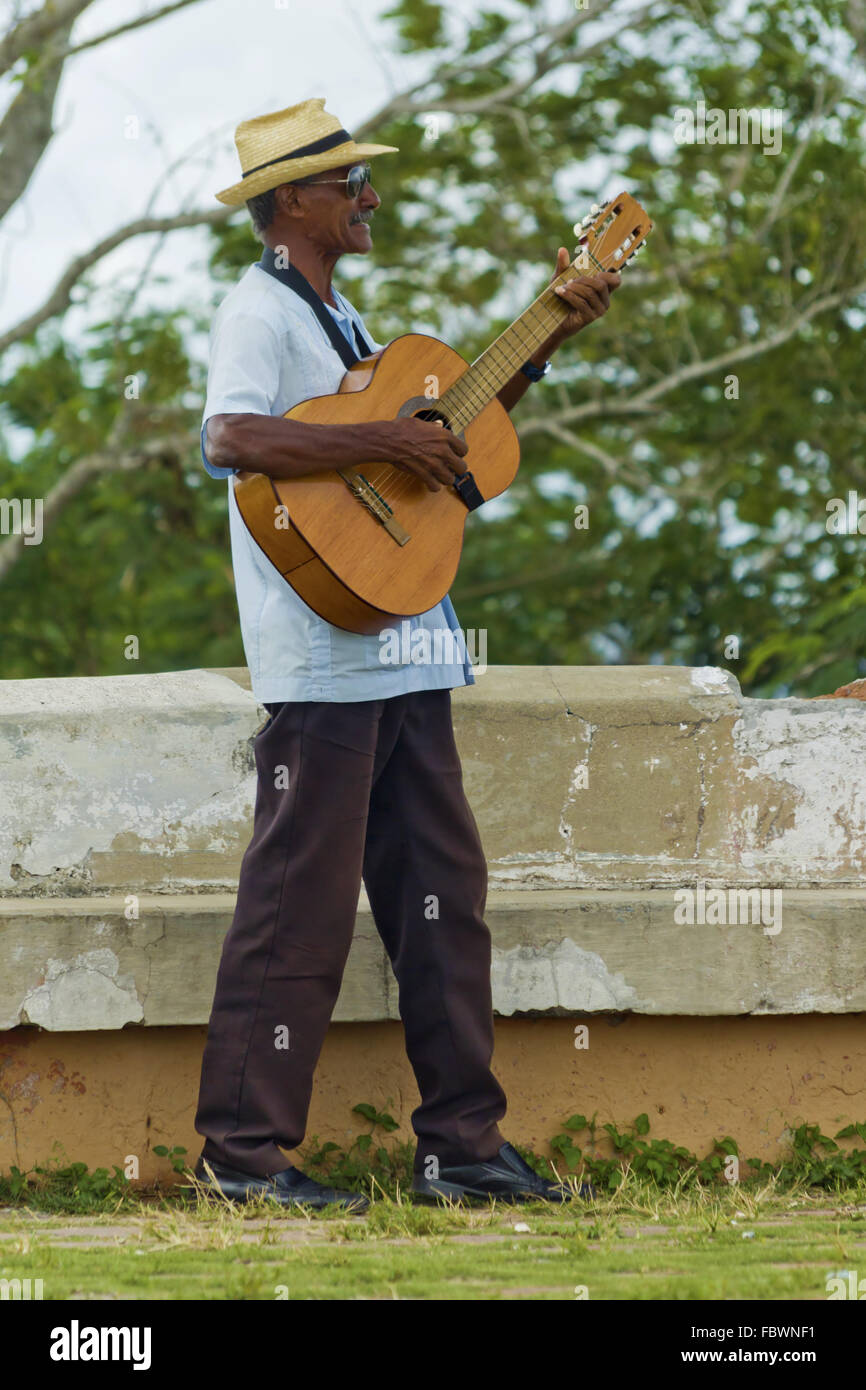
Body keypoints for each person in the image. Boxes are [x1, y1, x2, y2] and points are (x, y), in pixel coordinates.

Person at [193, 98, 620, 1211]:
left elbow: (449, 438)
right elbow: (229, 437)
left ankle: (460, 1146)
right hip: (325, 658)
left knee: (443, 898)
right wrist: (385, 436)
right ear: (293, 200)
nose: (368, 198)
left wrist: (549, 332)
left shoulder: (342, 322)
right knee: (299, 905)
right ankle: (242, 1158)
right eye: (349, 185)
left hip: (408, 652)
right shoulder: (257, 310)